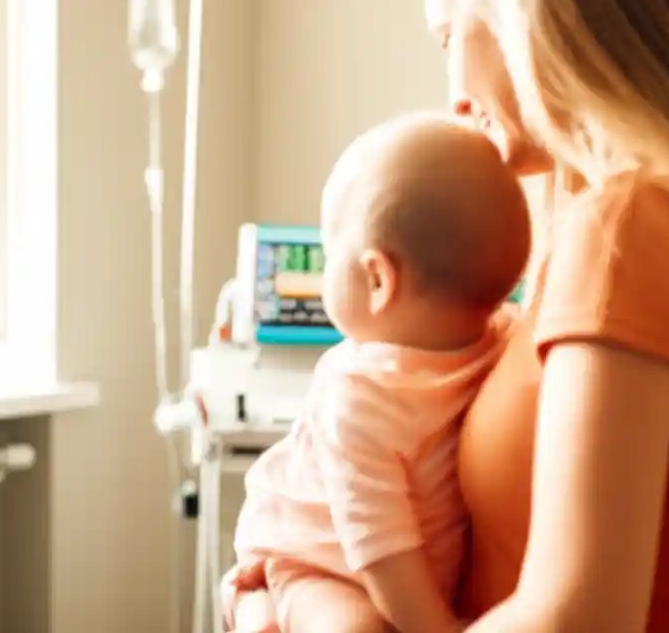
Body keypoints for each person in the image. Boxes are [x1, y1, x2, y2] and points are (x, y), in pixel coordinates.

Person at [404, 0, 669, 629]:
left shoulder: (630, 227)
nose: (455, 98)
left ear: (527, 14)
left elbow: (578, 616)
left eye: (448, 38)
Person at [222, 113, 530, 633]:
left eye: (328, 254)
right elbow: (378, 547)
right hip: (323, 565)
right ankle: (256, 604)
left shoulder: (502, 340)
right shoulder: (357, 395)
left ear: (377, 278)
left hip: (392, 564)